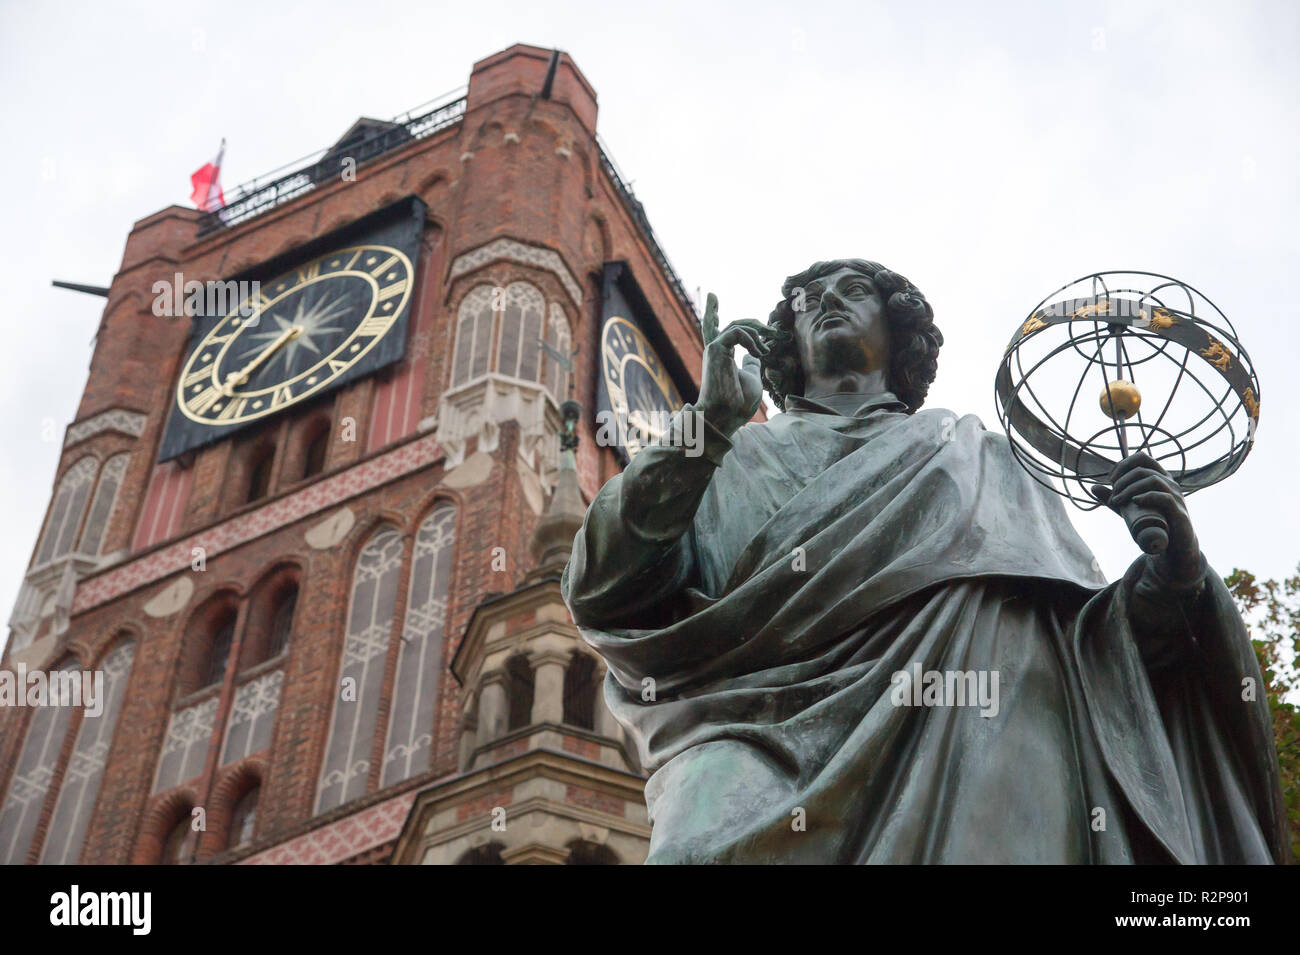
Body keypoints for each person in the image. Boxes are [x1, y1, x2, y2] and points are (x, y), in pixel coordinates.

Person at [562, 259, 1287, 864]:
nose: (823, 304)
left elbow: (1091, 645)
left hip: (981, 733)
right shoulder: (727, 454)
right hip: (752, 728)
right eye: (807, 300)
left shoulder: (974, 456)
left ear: (898, 331)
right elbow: (606, 591)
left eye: (852, 290)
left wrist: (1176, 578)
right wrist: (706, 426)